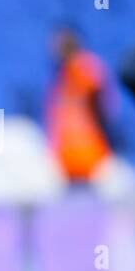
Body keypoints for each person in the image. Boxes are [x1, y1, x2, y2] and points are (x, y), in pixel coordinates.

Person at [45, 27, 118, 183]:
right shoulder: (63, 72)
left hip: (90, 154)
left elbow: (104, 104)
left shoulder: (84, 67)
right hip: (68, 157)